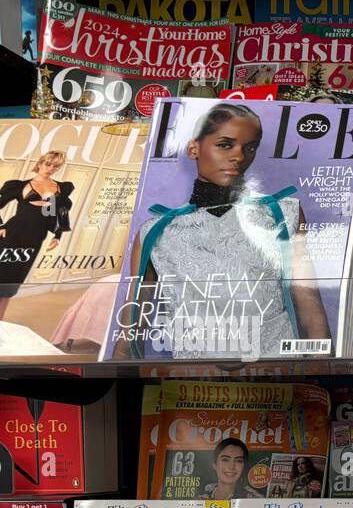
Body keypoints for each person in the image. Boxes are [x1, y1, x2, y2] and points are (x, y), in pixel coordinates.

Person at [119, 103, 332, 360]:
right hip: (193, 385)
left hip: (276, 373)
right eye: (225, 144)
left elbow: (309, 305)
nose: (239, 156)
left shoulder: (283, 214)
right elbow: (131, 328)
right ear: (194, 148)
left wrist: (320, 371)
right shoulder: (156, 232)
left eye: (249, 147)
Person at [0, 151, 73, 320]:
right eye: (48, 164)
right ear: (40, 163)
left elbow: (57, 213)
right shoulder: (19, 185)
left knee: (10, 285)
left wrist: (57, 235)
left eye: (56, 166)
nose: (51, 169)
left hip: (33, 239)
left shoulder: (60, 188)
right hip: (11, 234)